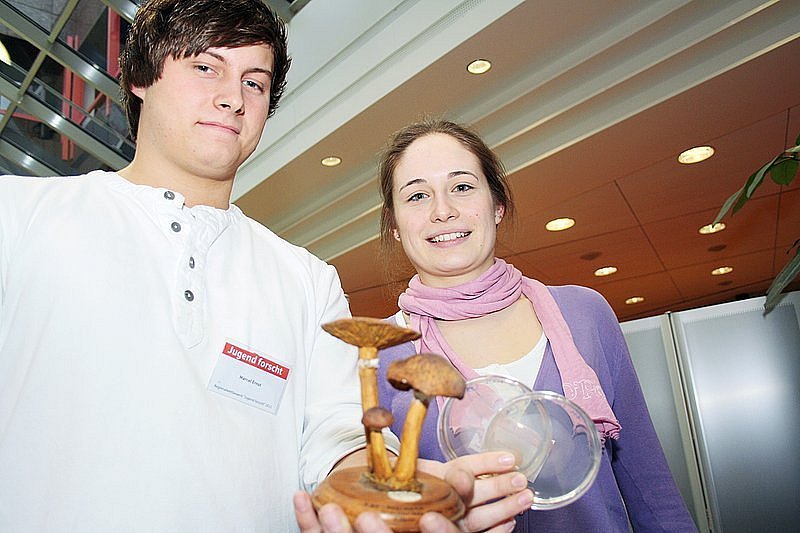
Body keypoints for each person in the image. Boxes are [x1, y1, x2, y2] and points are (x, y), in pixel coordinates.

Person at [0, 2, 529, 531]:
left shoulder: (308, 281)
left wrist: (395, 497)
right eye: (206, 68)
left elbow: (339, 435)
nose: (233, 98)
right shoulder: (19, 217)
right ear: (141, 77)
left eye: (254, 83)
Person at [375, 119, 699, 532]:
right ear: (395, 226)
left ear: (496, 205)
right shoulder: (379, 354)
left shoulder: (584, 314)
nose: (443, 211)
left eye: (462, 187)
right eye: (418, 195)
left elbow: (651, 489)